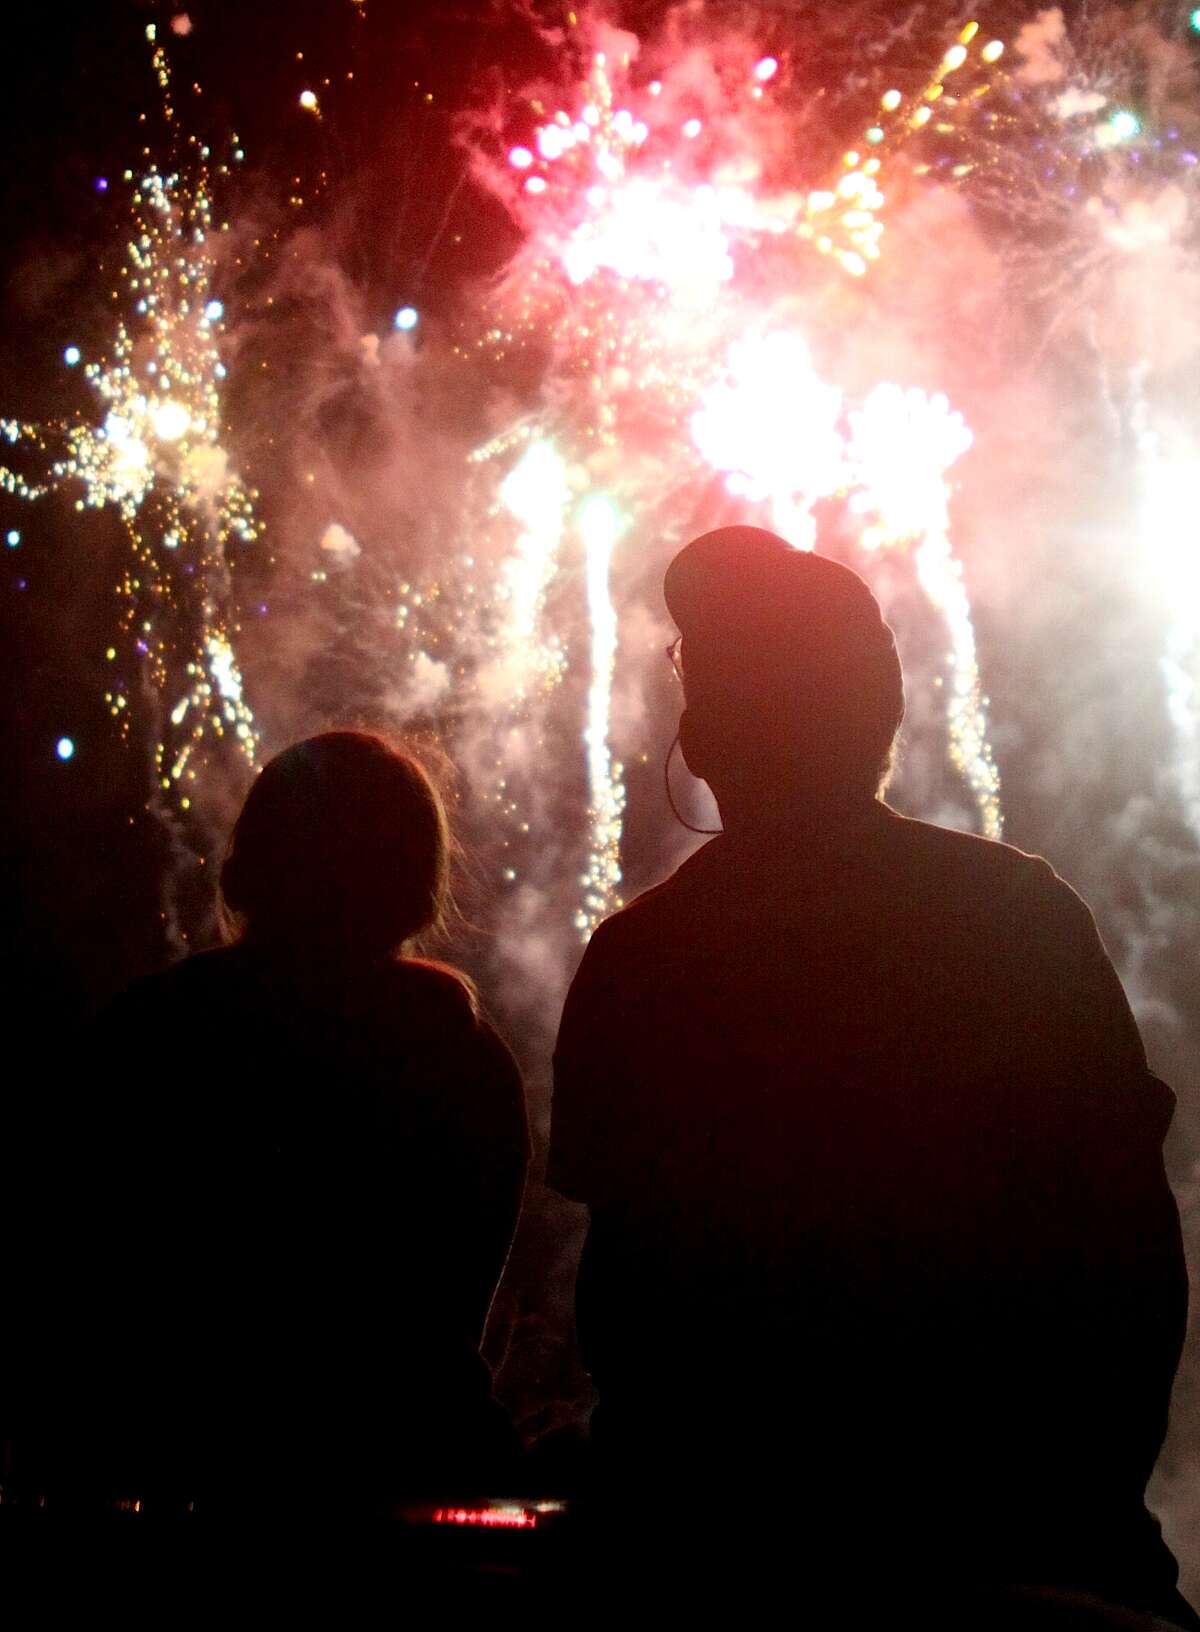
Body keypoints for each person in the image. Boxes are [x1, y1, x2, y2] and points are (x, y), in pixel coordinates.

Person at [549, 525, 1194, 1622]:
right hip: (1003, 1532)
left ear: (702, 742)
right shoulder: (1015, 916)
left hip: (716, 1552)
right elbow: (1132, 1266)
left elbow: (629, 1305)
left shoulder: (645, 957)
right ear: (878, 720)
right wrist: (1080, 1521)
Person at [12, 731, 529, 1513]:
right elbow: (446, 1326)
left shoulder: (147, 1037)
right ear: (416, 883)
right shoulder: (468, 1061)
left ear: (248, 868)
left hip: (181, 1474)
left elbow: (66, 1297)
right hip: (416, 1472)